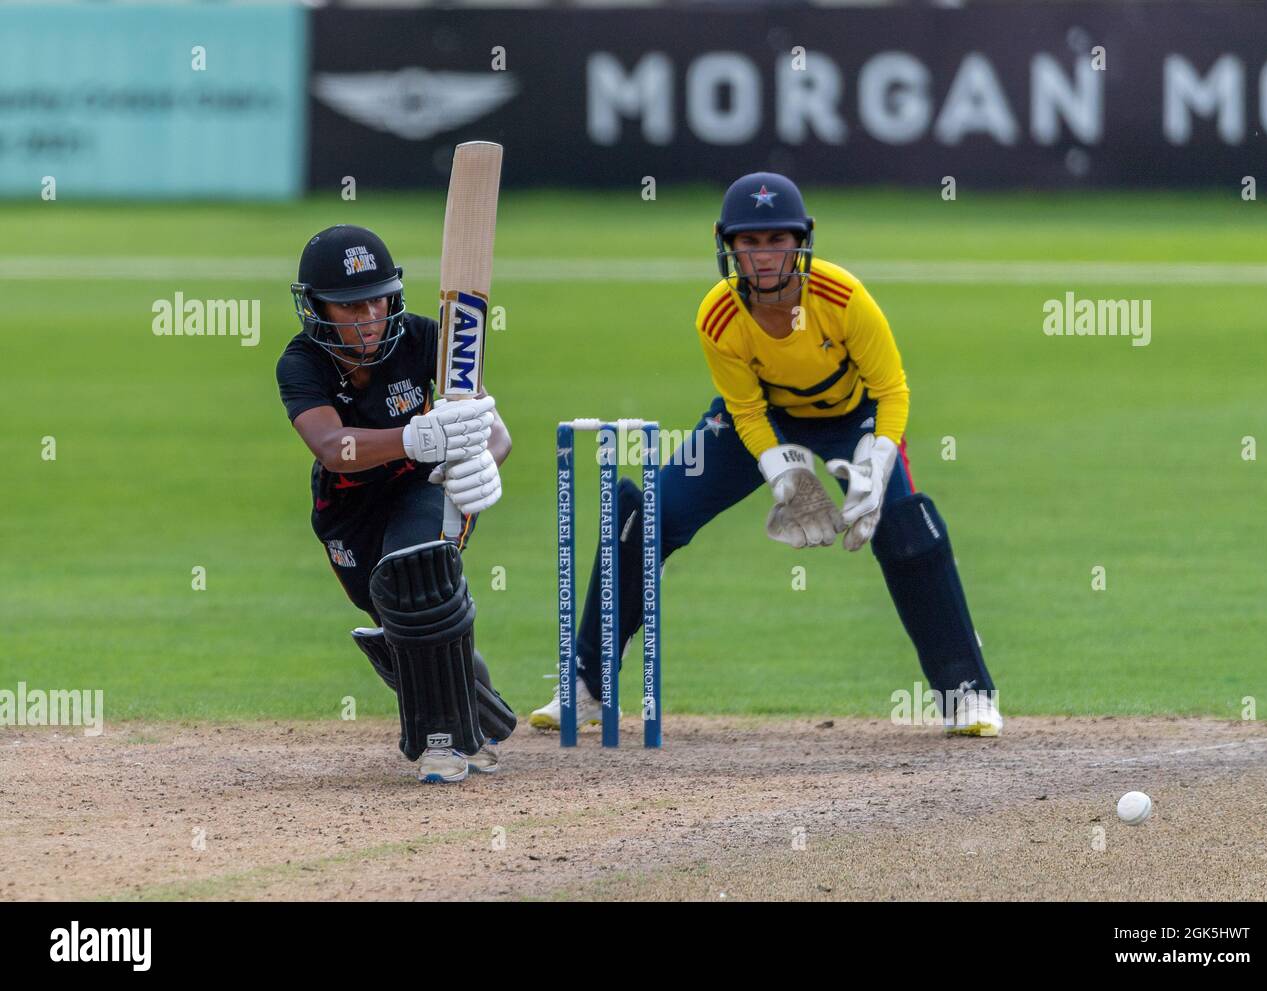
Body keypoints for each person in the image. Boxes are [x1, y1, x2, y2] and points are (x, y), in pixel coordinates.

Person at [530, 174, 1001, 737]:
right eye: (748, 243)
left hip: (854, 418)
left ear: (803, 239)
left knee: (905, 530)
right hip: (756, 420)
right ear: (726, 244)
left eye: (777, 240)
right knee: (647, 513)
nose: (763, 256)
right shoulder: (718, 316)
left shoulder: (844, 298)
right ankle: (586, 683)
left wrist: (877, 460)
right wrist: (784, 471)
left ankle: (966, 693)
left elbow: (893, 389)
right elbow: (747, 412)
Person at [276, 224, 517, 783]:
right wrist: (417, 437)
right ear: (316, 309)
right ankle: (481, 715)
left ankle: (443, 742)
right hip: (348, 509)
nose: (367, 318)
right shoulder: (301, 364)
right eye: (349, 307)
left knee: (417, 589)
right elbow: (334, 450)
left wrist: (483, 463)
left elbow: (492, 431)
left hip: (422, 488)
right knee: (401, 620)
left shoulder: (428, 338)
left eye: (376, 301)